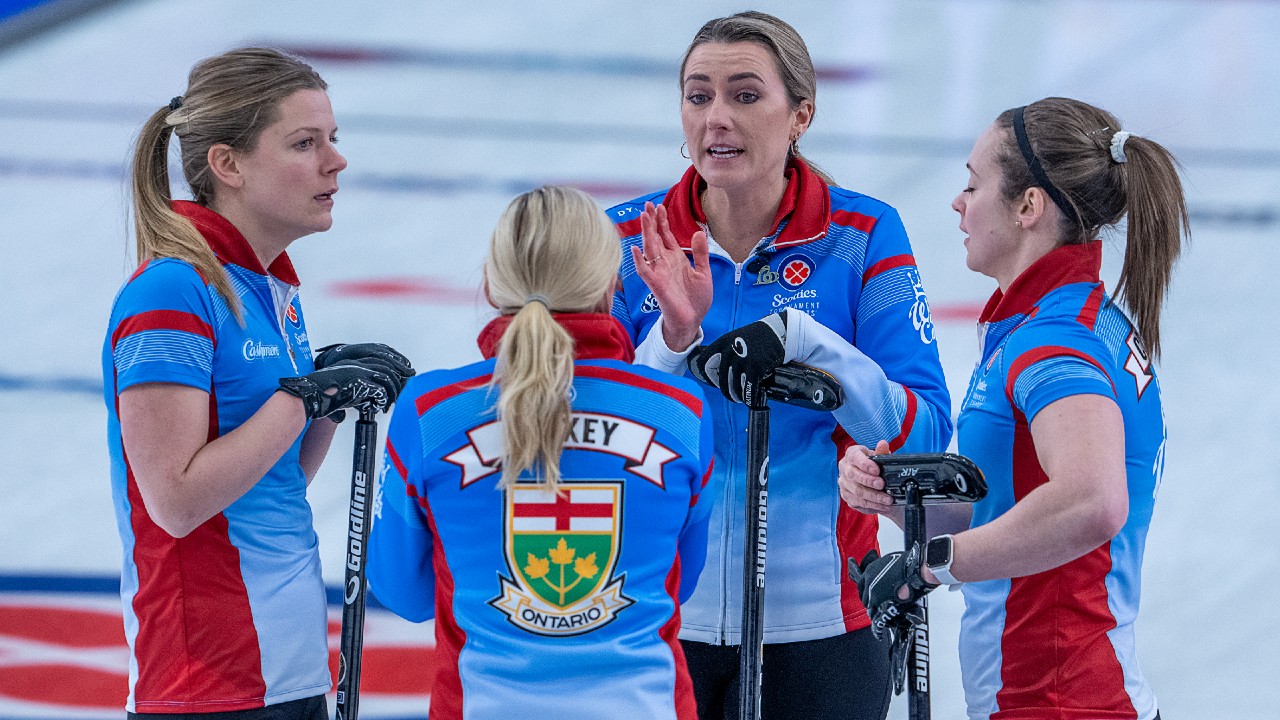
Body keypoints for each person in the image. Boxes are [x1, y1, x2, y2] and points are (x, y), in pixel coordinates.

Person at [607, 11, 952, 719]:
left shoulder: (862, 237)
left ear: (801, 115)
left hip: (823, 624)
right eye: (698, 96)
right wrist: (673, 338)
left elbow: (924, 430)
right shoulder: (622, 240)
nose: (716, 118)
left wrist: (805, 340)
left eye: (744, 95)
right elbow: (587, 428)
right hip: (654, 616)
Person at [840, 97, 1188, 720]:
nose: (958, 203)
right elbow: (1011, 512)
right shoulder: (1068, 322)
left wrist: (930, 566)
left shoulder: (1055, 341)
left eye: (974, 185)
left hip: (1058, 699)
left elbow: (1093, 500)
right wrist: (899, 501)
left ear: (1030, 207)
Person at [103, 47, 414, 718]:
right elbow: (178, 502)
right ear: (228, 164)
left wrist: (326, 401)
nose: (336, 161)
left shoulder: (270, 288)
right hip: (207, 681)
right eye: (304, 143)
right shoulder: (174, 290)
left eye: (333, 139)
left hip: (288, 664)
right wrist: (300, 396)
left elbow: (268, 481)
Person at [366, 185, 717, 719]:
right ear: (610, 285)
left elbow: (403, 594)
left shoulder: (429, 412)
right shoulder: (681, 412)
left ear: (490, 283)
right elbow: (681, 581)